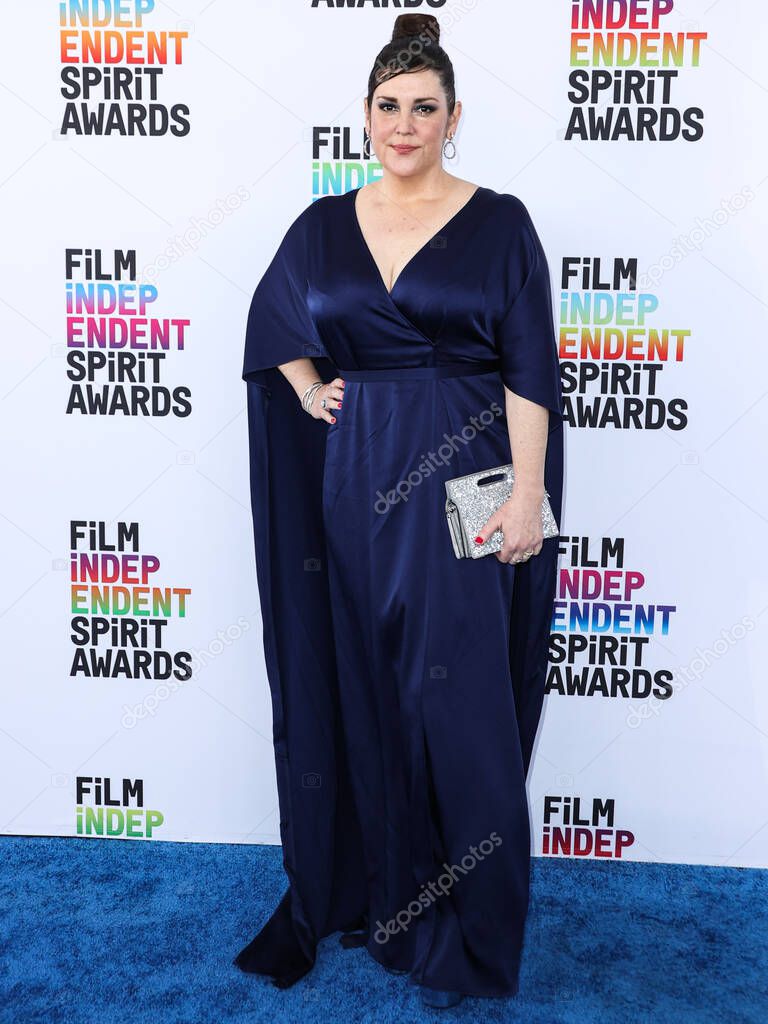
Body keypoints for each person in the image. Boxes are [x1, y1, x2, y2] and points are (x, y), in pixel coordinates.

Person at [233, 12, 565, 1010]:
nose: (405, 124)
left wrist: (527, 492)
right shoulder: (324, 224)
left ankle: (470, 923)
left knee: (458, 705)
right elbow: (273, 318)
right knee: (368, 688)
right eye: (388, 106)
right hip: (357, 484)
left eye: (425, 107)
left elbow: (532, 371)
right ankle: (388, 896)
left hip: (468, 478)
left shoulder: (501, 220)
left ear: (453, 118)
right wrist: (304, 388)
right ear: (366, 116)